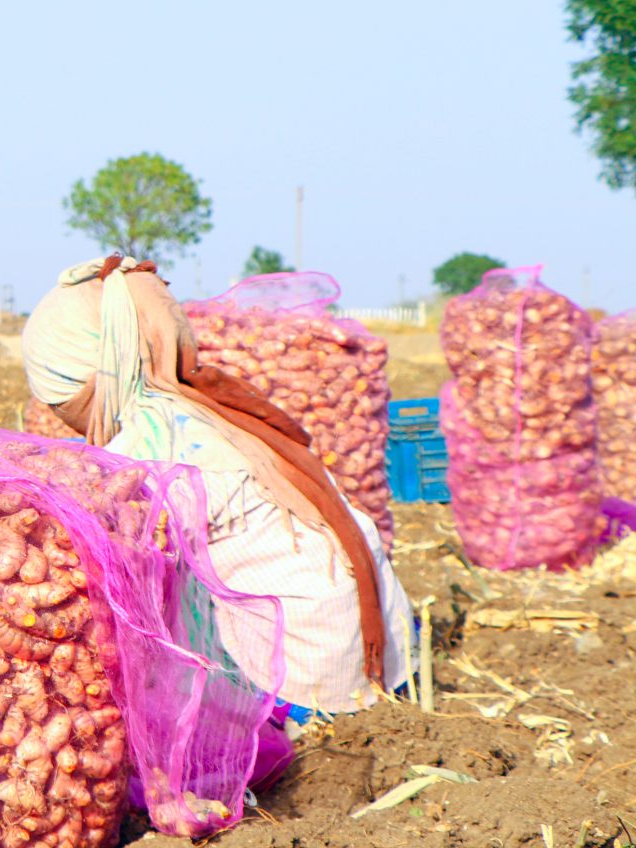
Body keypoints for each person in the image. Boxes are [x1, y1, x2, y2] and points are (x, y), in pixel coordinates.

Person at [22, 256, 412, 717]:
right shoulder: (196, 407)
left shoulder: (146, 450)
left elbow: (131, 582)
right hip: (385, 644)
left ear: (84, 386)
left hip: (316, 676)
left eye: (59, 402)